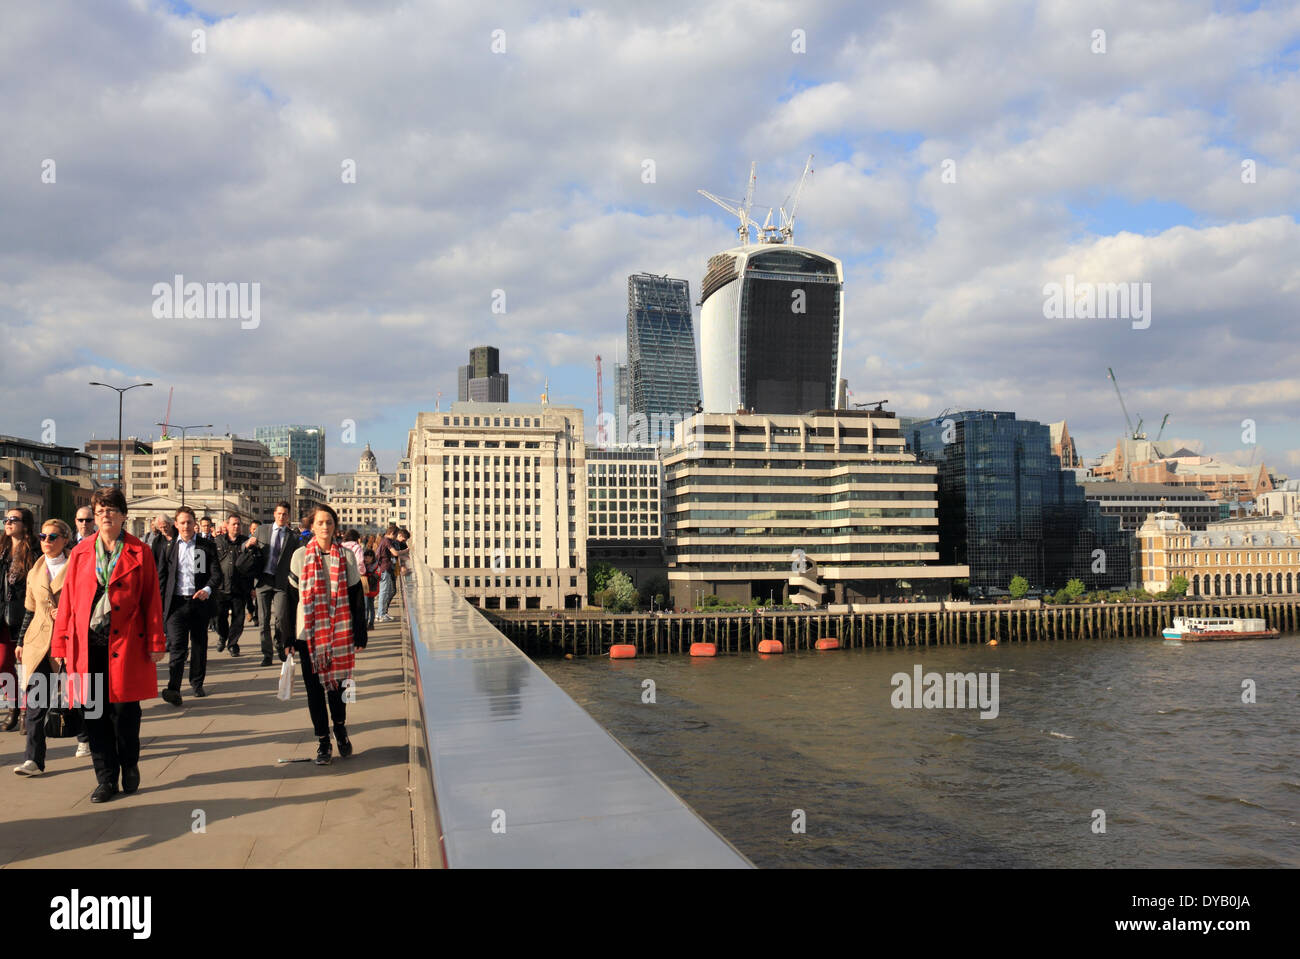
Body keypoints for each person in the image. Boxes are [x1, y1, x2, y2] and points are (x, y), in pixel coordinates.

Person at [50, 487, 167, 803]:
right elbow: (69, 603)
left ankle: (129, 764)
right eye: (100, 510)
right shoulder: (81, 552)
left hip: (127, 645)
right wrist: (60, 646)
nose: (105, 515)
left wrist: (157, 641)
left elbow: (151, 602)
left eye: (111, 510)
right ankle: (105, 779)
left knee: (125, 713)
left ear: (123, 515)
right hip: (87, 648)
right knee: (94, 714)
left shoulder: (140, 552)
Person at [287, 504, 367, 765]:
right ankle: (323, 741)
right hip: (307, 633)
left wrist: (360, 632)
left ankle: (341, 729)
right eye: (320, 522)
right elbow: (289, 599)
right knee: (313, 691)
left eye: (329, 522)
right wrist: (286, 636)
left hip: (340, 632)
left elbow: (357, 597)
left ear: (335, 526)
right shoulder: (299, 556)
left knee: (339, 687)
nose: (324, 527)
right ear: (311, 527)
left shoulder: (346, 557)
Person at [13, 518, 72, 775]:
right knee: (36, 704)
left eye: (53, 536)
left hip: (68, 642)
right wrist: (20, 642)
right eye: (42, 536)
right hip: (38, 643)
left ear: (65, 540)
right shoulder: (36, 569)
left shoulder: (77, 566)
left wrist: (68, 611)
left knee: (80, 701)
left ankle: (88, 741)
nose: (46, 541)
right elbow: (30, 609)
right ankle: (33, 760)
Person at [155, 506, 223, 705]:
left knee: (199, 644)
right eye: (182, 522)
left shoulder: (204, 547)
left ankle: (196, 683)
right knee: (177, 647)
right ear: (176, 525)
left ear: (195, 524)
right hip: (176, 605)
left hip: (198, 603)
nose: (186, 526)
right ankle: (174, 688)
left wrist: (207, 590)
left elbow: (215, 574)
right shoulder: (168, 548)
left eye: (189, 522)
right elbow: (161, 577)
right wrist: (159, 606)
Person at [1, 507, 39, 731]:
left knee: (28, 666)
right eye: (6, 519)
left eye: (14, 519)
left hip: (25, 616)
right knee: (2, 663)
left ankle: (27, 711)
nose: (8, 522)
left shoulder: (34, 550)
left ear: (25, 525)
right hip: (2, 616)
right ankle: (14, 704)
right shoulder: (1, 549)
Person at [253, 501, 298, 666]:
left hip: (281, 583)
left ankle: (279, 645)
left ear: (288, 517)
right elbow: (247, 546)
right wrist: (247, 544)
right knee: (263, 620)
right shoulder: (261, 530)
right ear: (274, 514)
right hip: (263, 580)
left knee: (280, 618)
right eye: (279, 513)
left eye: (285, 514)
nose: (281, 517)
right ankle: (266, 653)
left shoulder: (293, 537)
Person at [214, 512, 256, 656]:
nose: (236, 526)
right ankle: (222, 636)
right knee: (220, 617)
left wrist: (252, 587)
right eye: (234, 524)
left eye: (238, 524)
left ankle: (233, 644)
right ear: (227, 525)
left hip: (240, 587)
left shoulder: (246, 542)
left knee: (238, 619)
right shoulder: (218, 541)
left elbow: (252, 565)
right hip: (221, 587)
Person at [374, 524, 398, 623]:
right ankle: (380, 614)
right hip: (385, 569)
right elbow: (395, 553)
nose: (395, 538)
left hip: (382, 568)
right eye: (395, 535)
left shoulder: (383, 540)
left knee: (384, 592)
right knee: (384, 592)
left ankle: (382, 613)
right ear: (392, 533)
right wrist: (405, 551)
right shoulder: (387, 541)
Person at [246, 521, 260, 627]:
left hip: (259, 573)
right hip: (248, 574)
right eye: (253, 528)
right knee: (249, 596)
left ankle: (257, 616)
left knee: (259, 597)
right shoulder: (246, 541)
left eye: (257, 528)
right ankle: (250, 610)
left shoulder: (264, 542)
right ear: (250, 529)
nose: (255, 531)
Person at [361, 548, 379, 629]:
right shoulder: (363, 565)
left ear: (372, 558)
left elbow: (378, 576)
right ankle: (368, 623)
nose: (366, 559)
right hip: (365, 588)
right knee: (367, 606)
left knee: (368, 606)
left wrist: (369, 574)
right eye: (365, 557)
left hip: (372, 588)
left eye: (369, 557)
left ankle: (370, 623)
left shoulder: (376, 566)